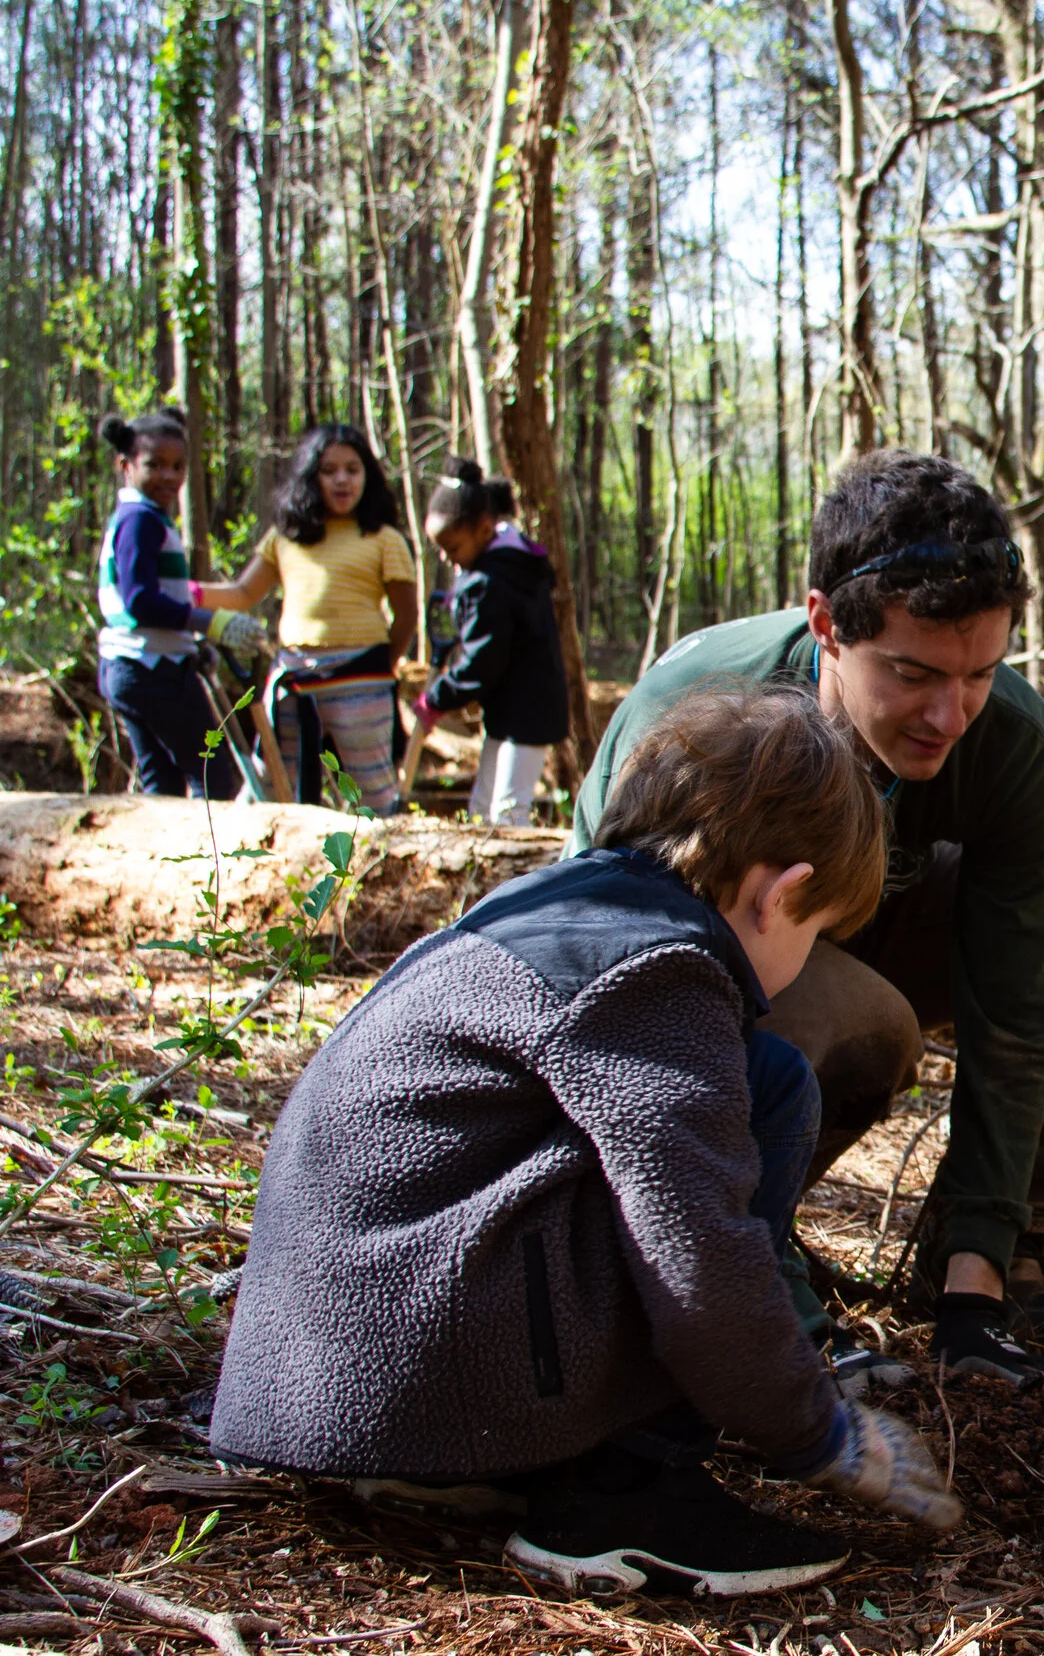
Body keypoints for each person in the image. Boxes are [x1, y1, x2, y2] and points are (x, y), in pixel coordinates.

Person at [212, 686, 962, 1595]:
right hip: (408, 1351)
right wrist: (818, 1432)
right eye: (817, 930)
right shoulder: (664, 969)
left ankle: (462, 1461)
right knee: (772, 1089)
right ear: (780, 893)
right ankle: (625, 1489)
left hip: (324, 1370)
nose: (805, 958)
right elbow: (698, 1250)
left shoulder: (550, 907)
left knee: (749, 1084)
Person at [571, 449, 1044, 1394]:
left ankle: (1005, 1242)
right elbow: (621, 1013)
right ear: (825, 627)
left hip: (882, 911)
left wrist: (974, 1300)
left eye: (979, 674)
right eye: (913, 673)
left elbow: (1018, 1010)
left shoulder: (1004, 734)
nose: (949, 713)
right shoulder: (702, 719)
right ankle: (735, 1250)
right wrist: (785, 1323)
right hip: (697, 972)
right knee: (865, 1022)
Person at [199, 424, 418, 813]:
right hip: (292, 680)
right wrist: (189, 593)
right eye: (329, 470)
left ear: (368, 475)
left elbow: (406, 615)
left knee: (374, 793)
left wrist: (381, 667)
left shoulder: (385, 539)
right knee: (271, 787)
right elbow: (243, 593)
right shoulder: (285, 537)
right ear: (310, 476)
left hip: (362, 681)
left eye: (353, 469)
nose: (341, 480)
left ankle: (383, 864)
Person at [92, 407, 261, 798]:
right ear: (125, 465)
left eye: (178, 466)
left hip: (135, 666)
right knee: (211, 774)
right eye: (155, 464)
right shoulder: (140, 520)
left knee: (163, 782)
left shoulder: (141, 516)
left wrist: (192, 645)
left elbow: (153, 603)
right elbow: (140, 603)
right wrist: (212, 623)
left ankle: (162, 858)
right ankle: (211, 858)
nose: (169, 476)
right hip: (151, 670)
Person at [416, 458, 567, 824]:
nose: (446, 558)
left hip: (529, 709)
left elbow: (482, 661)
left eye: (451, 548)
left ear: (484, 530)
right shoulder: (496, 570)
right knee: (481, 811)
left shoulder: (494, 581)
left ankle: (528, 877)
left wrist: (438, 698)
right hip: (507, 708)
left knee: (509, 812)